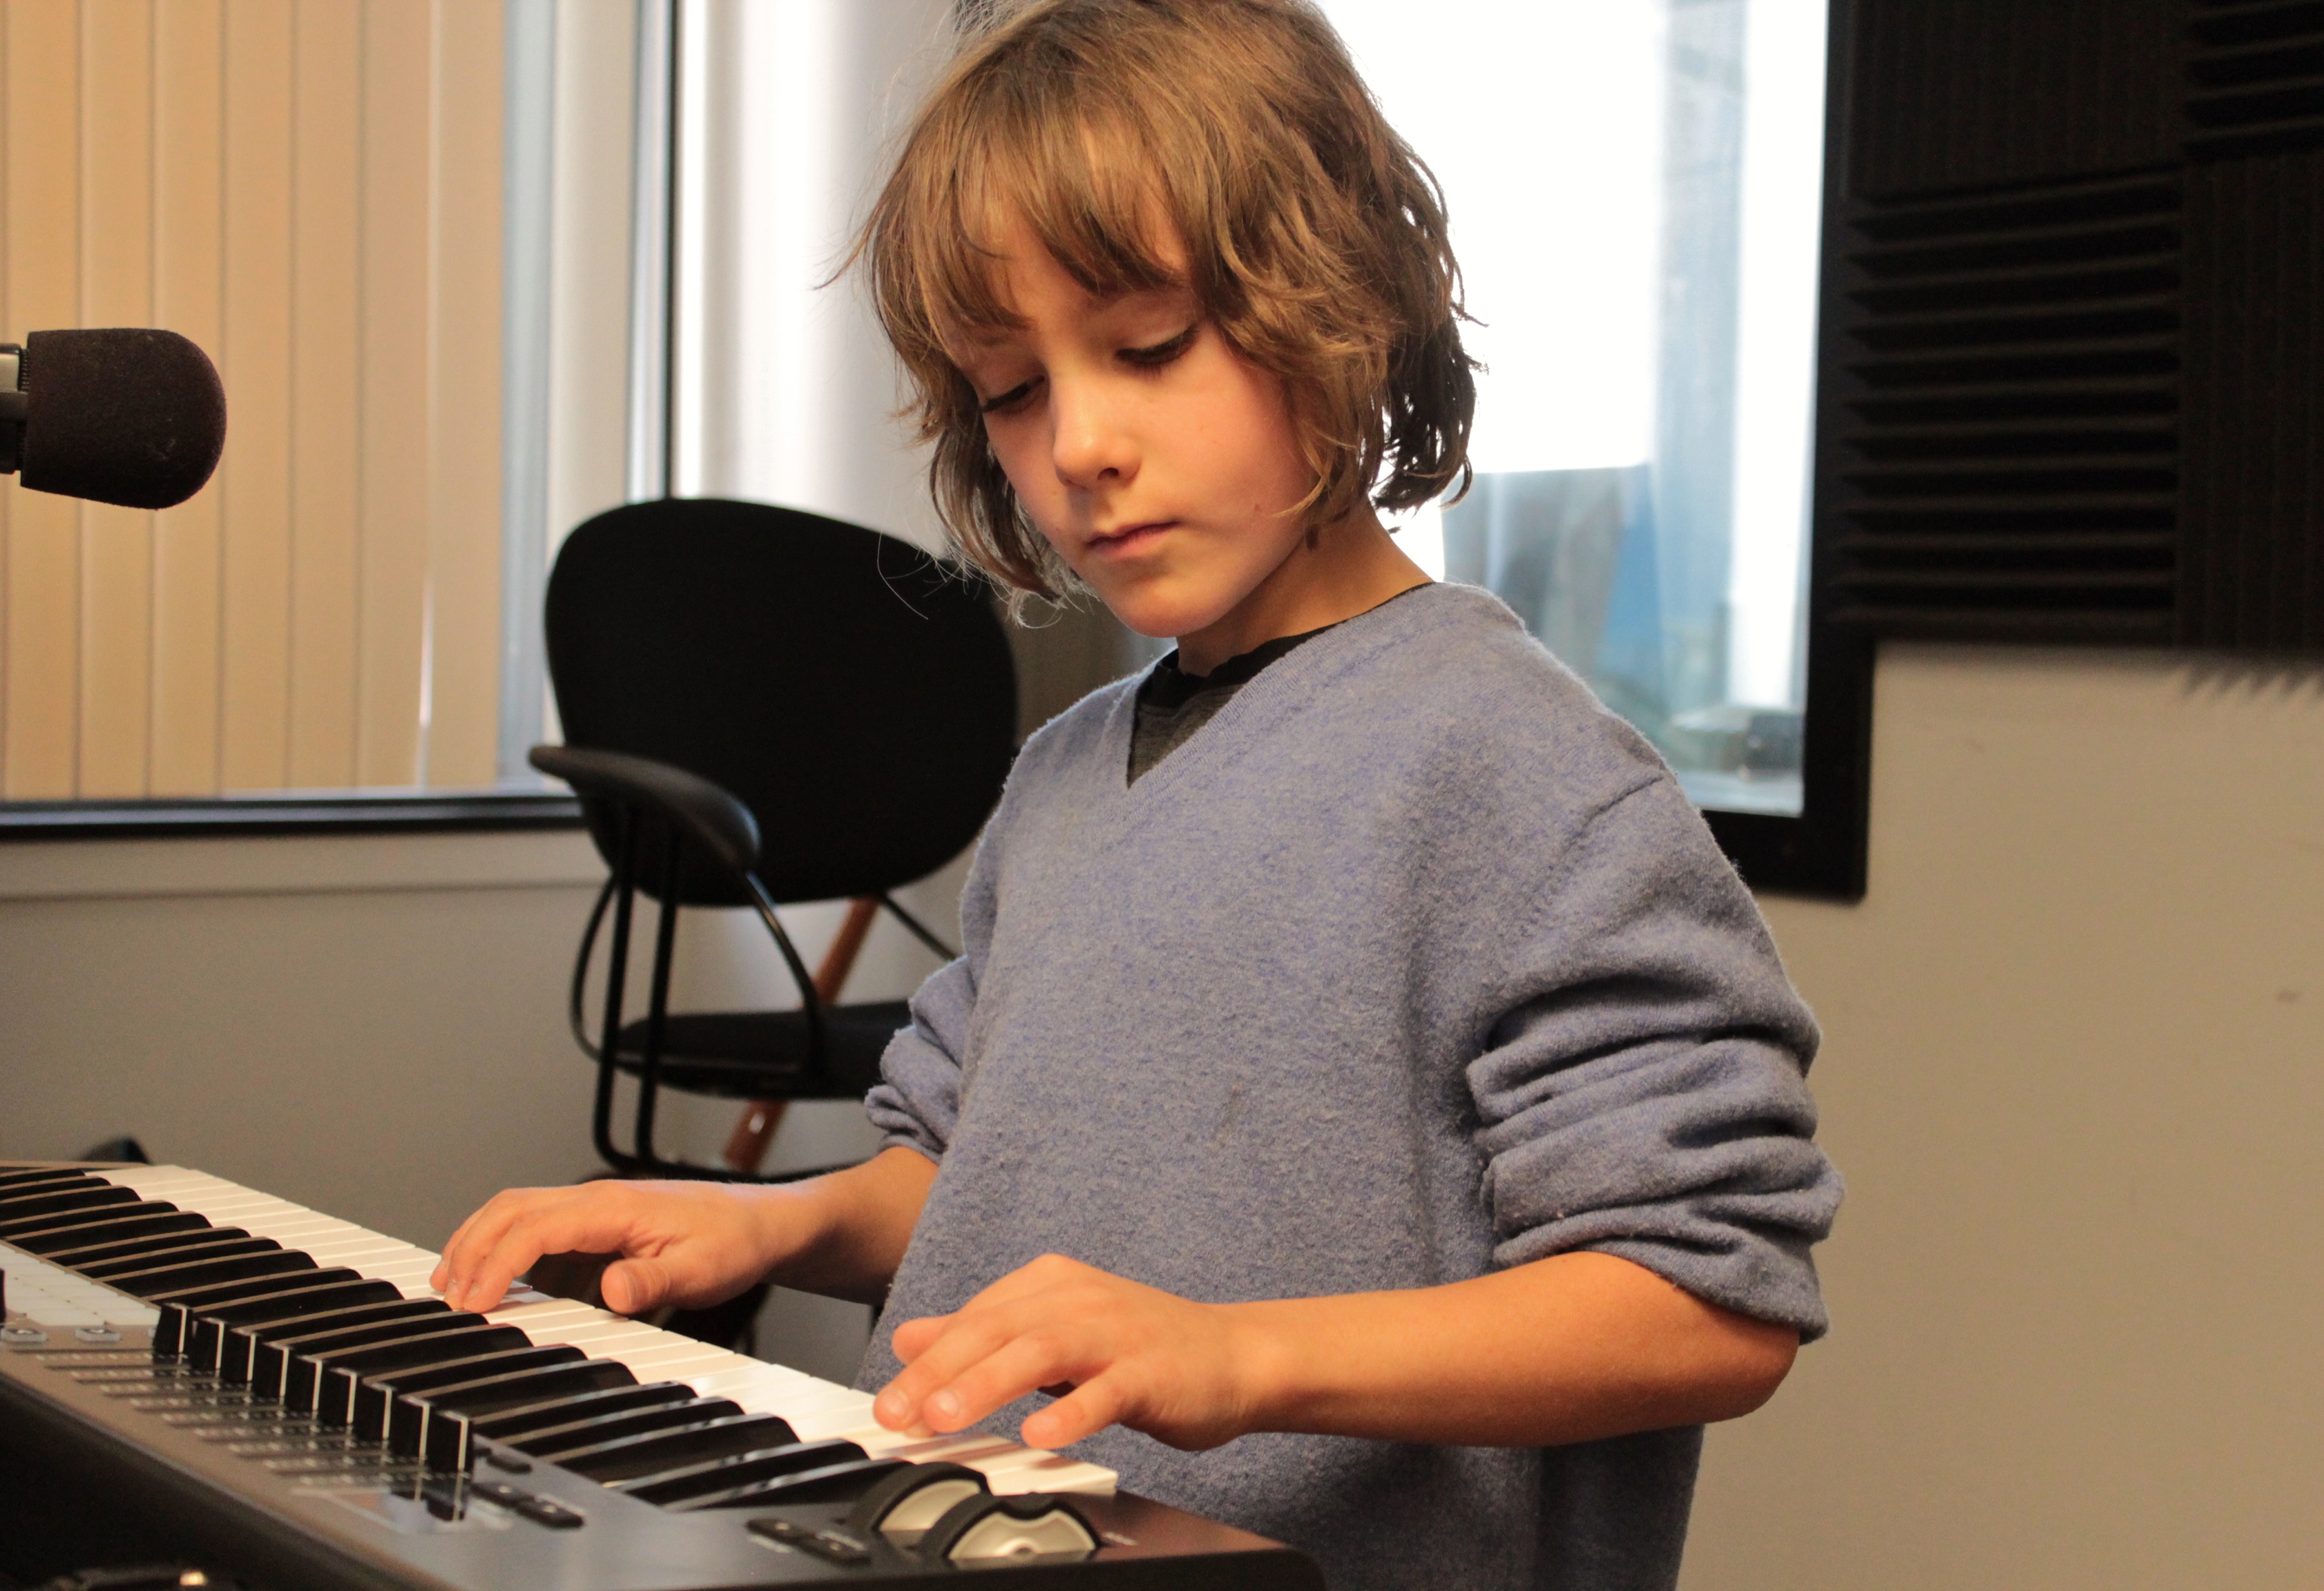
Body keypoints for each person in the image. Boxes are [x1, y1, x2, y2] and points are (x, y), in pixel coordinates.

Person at [433, 2, 1842, 1585]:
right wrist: (775, 1225)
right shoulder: (1063, 777)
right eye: (1012, 390)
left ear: (1344, 305)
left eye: (1150, 347)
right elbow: (965, 1177)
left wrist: (1238, 1360)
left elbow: (1705, 1304)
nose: (1080, 442)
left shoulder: (1522, 776)